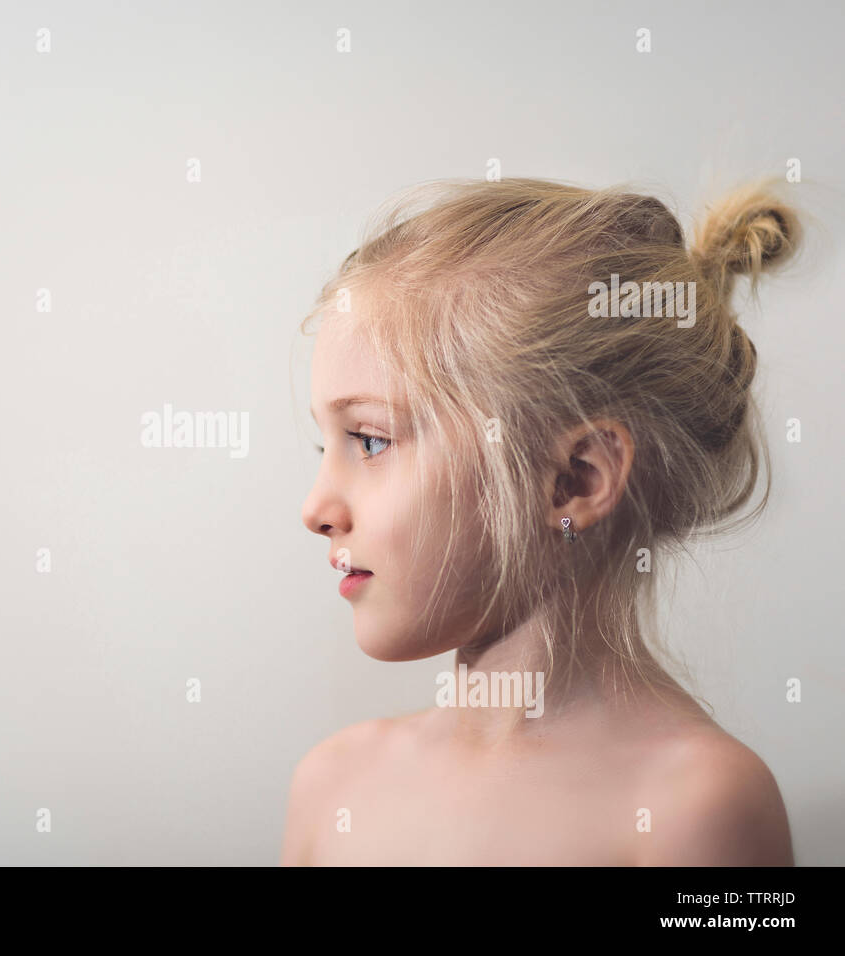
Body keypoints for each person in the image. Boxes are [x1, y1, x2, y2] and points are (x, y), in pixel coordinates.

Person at [282, 176, 800, 865]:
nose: (315, 509)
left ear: (575, 480)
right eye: (328, 445)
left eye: (372, 440)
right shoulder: (331, 786)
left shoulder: (698, 809)